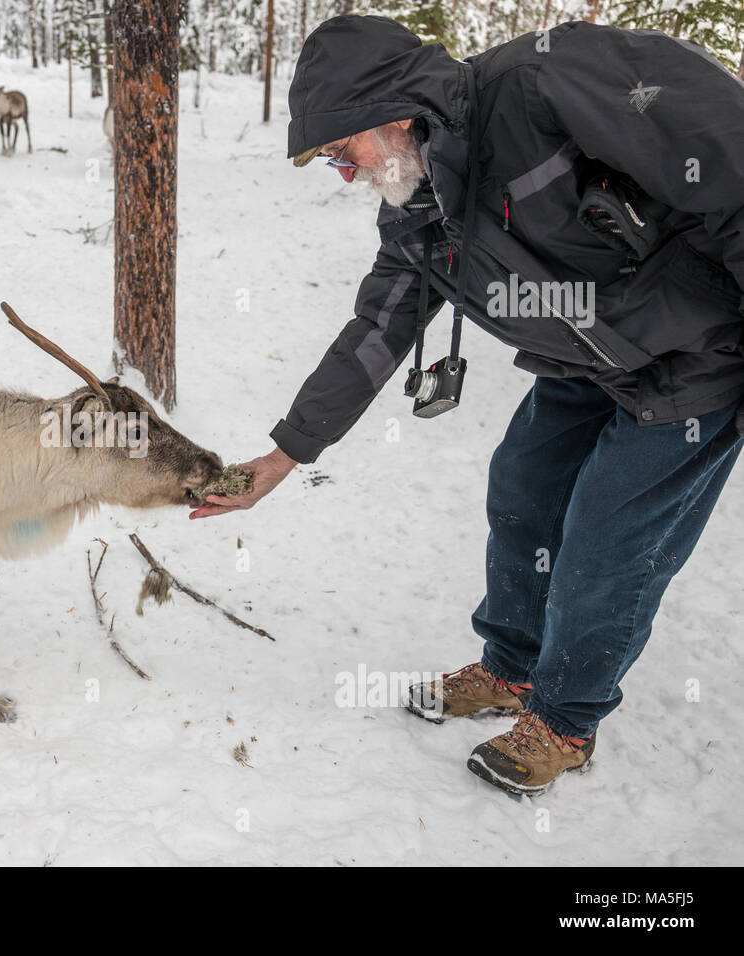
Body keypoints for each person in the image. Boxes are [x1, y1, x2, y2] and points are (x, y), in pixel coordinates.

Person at [191, 15, 744, 797]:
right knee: (521, 489)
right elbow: (378, 330)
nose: (342, 175)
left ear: (387, 110)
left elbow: (730, 163)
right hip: (591, 361)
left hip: (696, 360)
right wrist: (285, 454)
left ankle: (564, 720)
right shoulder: (419, 209)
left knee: (606, 542)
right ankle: (513, 670)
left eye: (339, 151)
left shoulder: (549, 83)